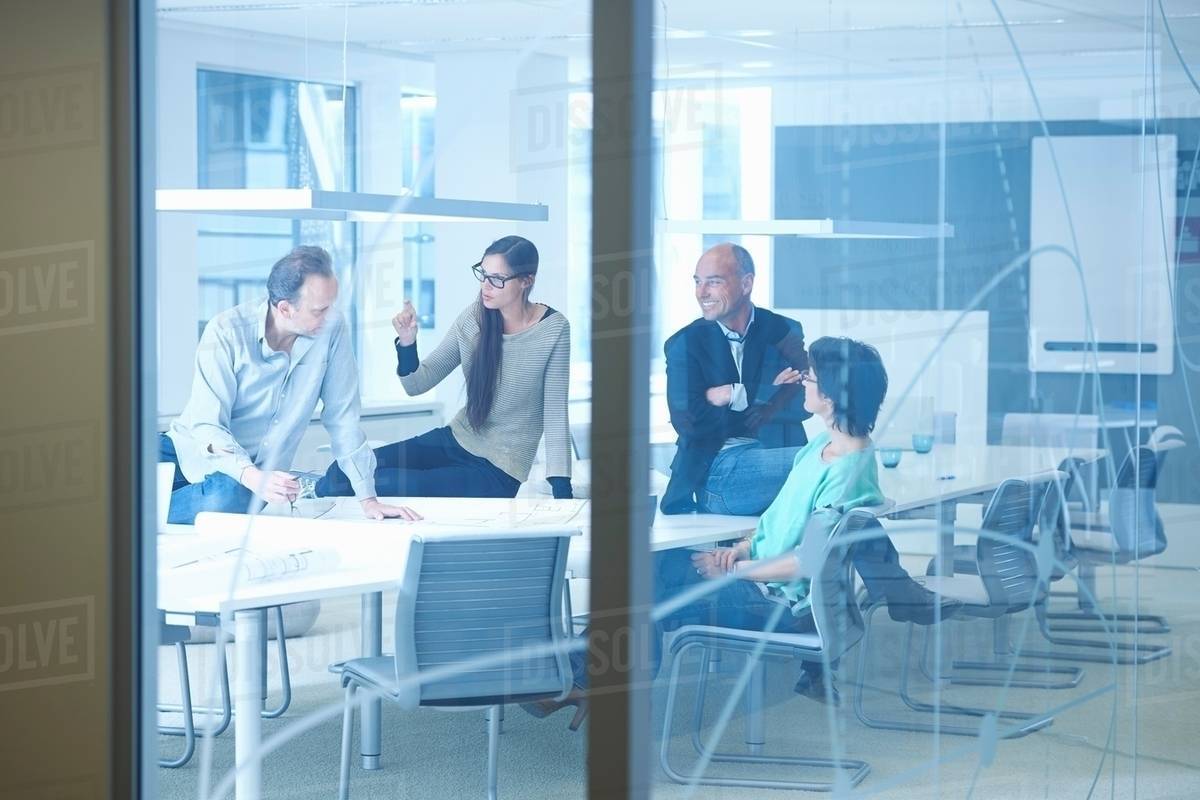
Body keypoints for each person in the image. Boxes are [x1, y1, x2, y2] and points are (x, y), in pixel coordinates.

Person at [525, 337, 957, 726]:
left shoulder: (847, 472)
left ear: (831, 394)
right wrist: (741, 550)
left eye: (810, 377)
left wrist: (734, 571)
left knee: (648, 589)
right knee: (647, 569)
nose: (803, 382)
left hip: (777, 605)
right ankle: (588, 679)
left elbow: (807, 562)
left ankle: (584, 680)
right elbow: (781, 524)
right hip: (757, 581)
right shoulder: (820, 449)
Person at [161, 245, 417, 524]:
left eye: (331, 305)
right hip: (186, 449)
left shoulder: (332, 329)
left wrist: (368, 500)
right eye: (319, 310)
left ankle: (142, 511)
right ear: (284, 308)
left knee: (229, 498)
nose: (329, 315)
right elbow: (207, 425)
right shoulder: (225, 331)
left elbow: (343, 416)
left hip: (243, 479)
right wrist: (251, 475)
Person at [316, 235, 572, 499]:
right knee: (342, 471)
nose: (486, 286)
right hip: (455, 440)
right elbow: (417, 384)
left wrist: (563, 493)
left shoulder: (554, 330)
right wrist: (407, 344)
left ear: (526, 281)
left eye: (497, 279)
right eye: (483, 274)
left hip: (497, 472)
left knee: (362, 483)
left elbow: (555, 415)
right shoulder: (474, 318)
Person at [661, 242, 810, 515]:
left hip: (777, 464)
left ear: (746, 283)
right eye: (698, 282)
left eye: (714, 282)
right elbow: (688, 423)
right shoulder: (684, 343)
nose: (702, 293)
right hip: (718, 469)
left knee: (827, 469)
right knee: (827, 458)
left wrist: (731, 395)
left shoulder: (782, 330)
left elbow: (806, 401)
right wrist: (767, 395)